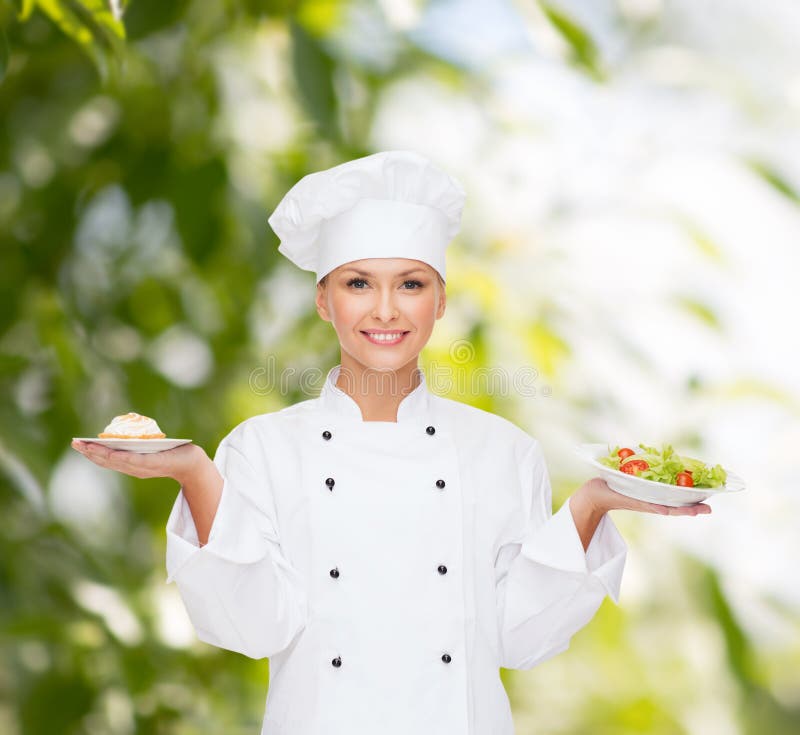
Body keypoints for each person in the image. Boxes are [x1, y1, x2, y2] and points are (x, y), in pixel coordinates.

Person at [71, 150, 711, 735]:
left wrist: (589, 507)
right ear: (323, 301)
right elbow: (252, 624)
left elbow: (516, 637)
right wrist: (196, 476)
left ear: (440, 302)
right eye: (357, 284)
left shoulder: (503, 451)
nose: (385, 310)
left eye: (410, 284)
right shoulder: (261, 449)